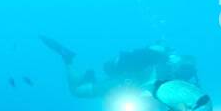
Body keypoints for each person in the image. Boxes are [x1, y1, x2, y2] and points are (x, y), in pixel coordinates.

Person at [41, 36, 198, 99]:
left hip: (130, 86)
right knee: (77, 91)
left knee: (79, 90)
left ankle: (80, 70)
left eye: (188, 72)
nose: (184, 73)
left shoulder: (177, 80)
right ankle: (67, 58)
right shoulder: (160, 66)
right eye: (184, 69)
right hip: (126, 83)